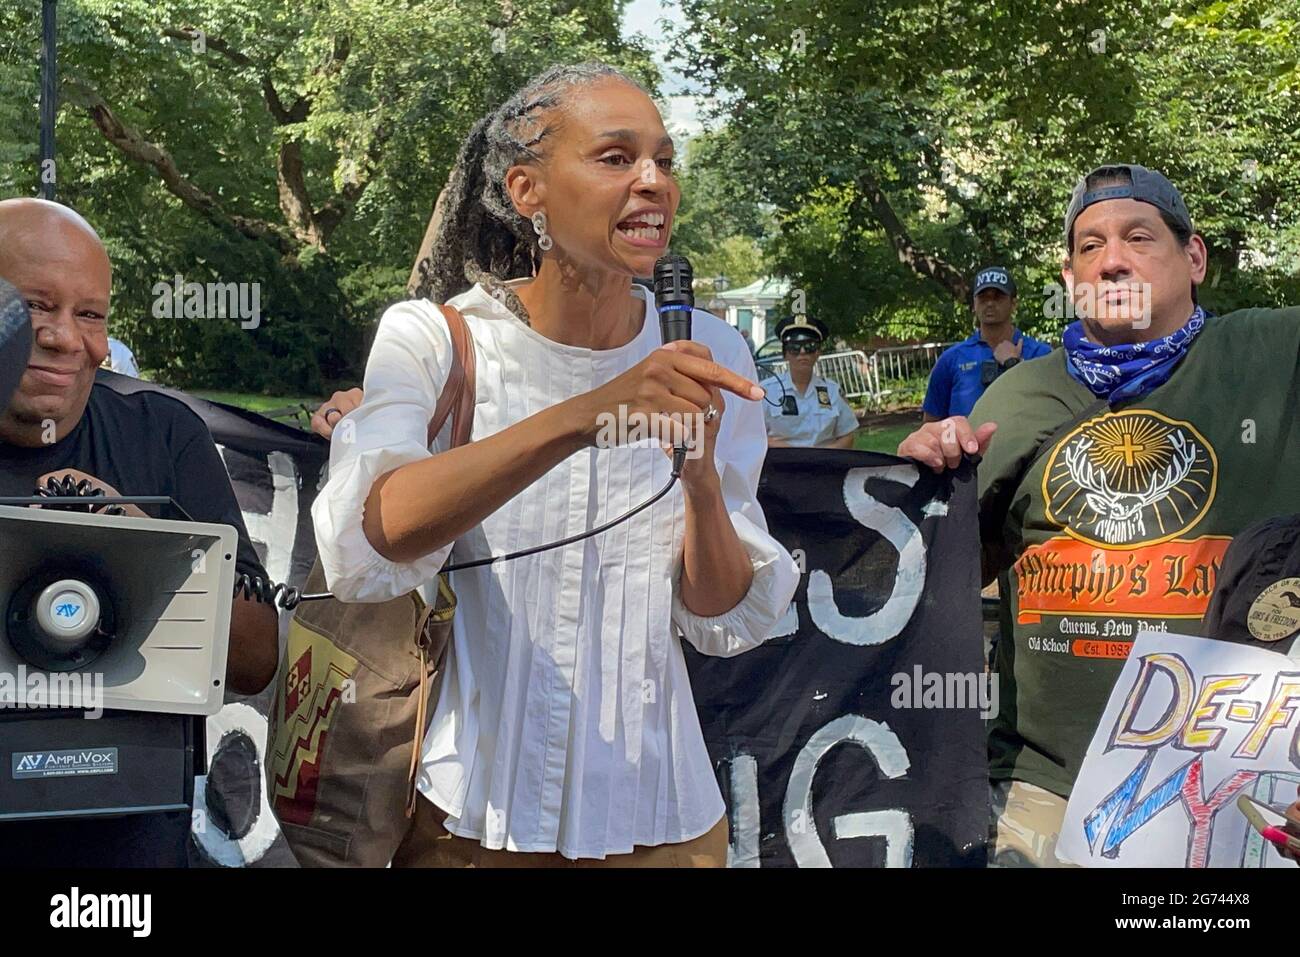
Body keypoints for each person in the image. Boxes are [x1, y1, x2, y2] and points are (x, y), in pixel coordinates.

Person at [310, 62, 798, 867]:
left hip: (667, 825)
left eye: (665, 161)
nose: (653, 182)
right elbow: (379, 534)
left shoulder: (712, 353)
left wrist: (704, 485)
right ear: (527, 189)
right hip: (469, 821)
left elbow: (717, 615)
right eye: (615, 157)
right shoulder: (433, 339)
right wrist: (589, 416)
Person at [897, 163, 1300, 867]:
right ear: (1069, 272)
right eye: (1089, 246)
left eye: (1138, 236)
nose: (1112, 260)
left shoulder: (1271, 354)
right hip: (1045, 792)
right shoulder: (1019, 400)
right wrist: (917, 482)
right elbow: (934, 584)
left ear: (1194, 256)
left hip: (1240, 788)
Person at [0, 198, 279, 866]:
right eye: (37, 306)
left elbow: (253, 659)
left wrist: (152, 547)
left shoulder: (162, 435)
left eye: (89, 313)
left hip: (128, 839)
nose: (67, 337)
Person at [922, 266, 1052, 422]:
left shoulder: (1041, 355)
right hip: (968, 445)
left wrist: (1014, 364)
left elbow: (1051, 413)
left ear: (1013, 304)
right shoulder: (951, 359)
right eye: (983, 297)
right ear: (974, 304)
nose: (990, 303)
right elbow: (930, 424)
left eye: (998, 296)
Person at [760, 315, 858, 449]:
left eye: (809, 347)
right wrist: (796, 454)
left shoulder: (832, 391)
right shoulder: (767, 392)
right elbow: (753, 436)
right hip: (780, 465)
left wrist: (821, 457)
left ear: (818, 352)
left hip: (823, 466)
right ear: (785, 354)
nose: (802, 353)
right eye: (794, 348)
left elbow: (847, 435)